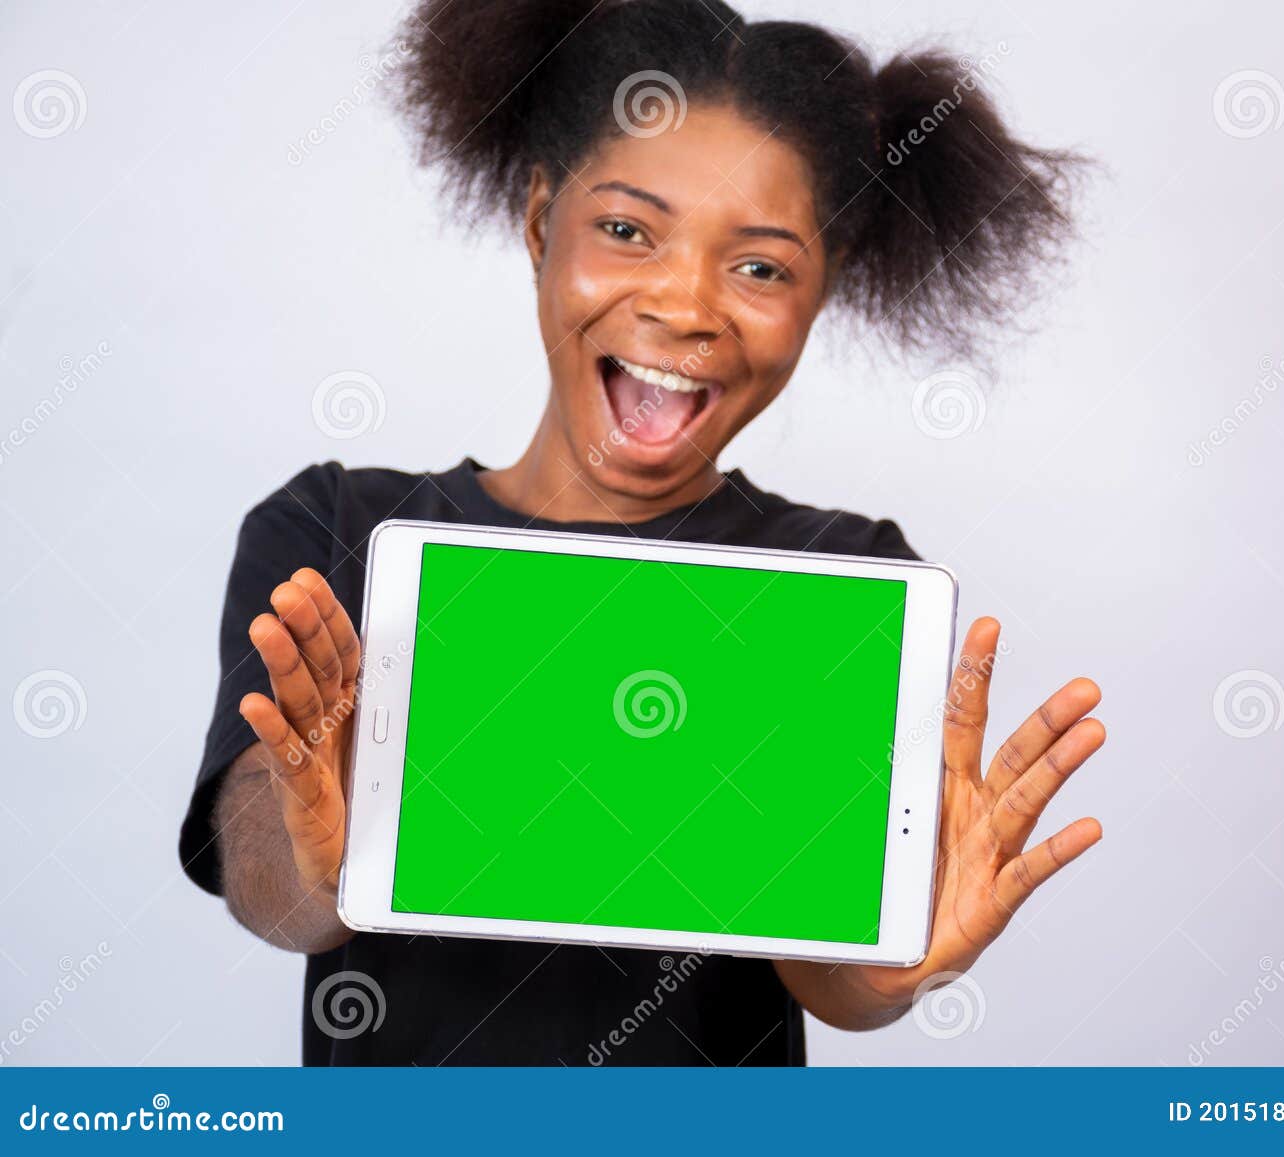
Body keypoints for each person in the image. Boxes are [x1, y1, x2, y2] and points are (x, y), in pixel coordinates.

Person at [178, 0, 1106, 1065]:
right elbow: (266, 886)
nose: (685, 303)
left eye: (760, 266)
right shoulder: (339, 528)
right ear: (539, 223)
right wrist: (317, 853)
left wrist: (901, 965)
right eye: (626, 230)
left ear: (821, 293)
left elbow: (840, 971)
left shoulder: (838, 582)